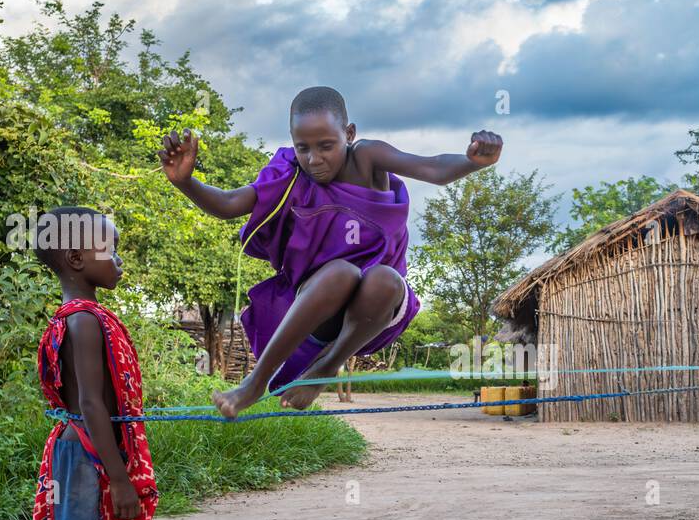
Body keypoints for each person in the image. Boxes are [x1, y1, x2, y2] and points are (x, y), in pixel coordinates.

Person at [158, 85, 503, 417]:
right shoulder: (289, 173)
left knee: (385, 278)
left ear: (349, 134)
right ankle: (255, 382)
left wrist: (473, 162)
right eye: (303, 147)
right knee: (342, 272)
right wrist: (186, 182)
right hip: (318, 307)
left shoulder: (368, 158)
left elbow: (433, 168)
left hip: (374, 314)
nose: (314, 159)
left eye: (326, 146)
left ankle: (324, 368)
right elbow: (231, 203)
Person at [27, 207, 179, 520]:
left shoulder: (85, 318)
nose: (118, 260)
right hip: (90, 460)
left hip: (97, 454)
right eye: (109, 250)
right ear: (74, 258)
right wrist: (119, 479)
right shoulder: (84, 322)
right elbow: (92, 404)